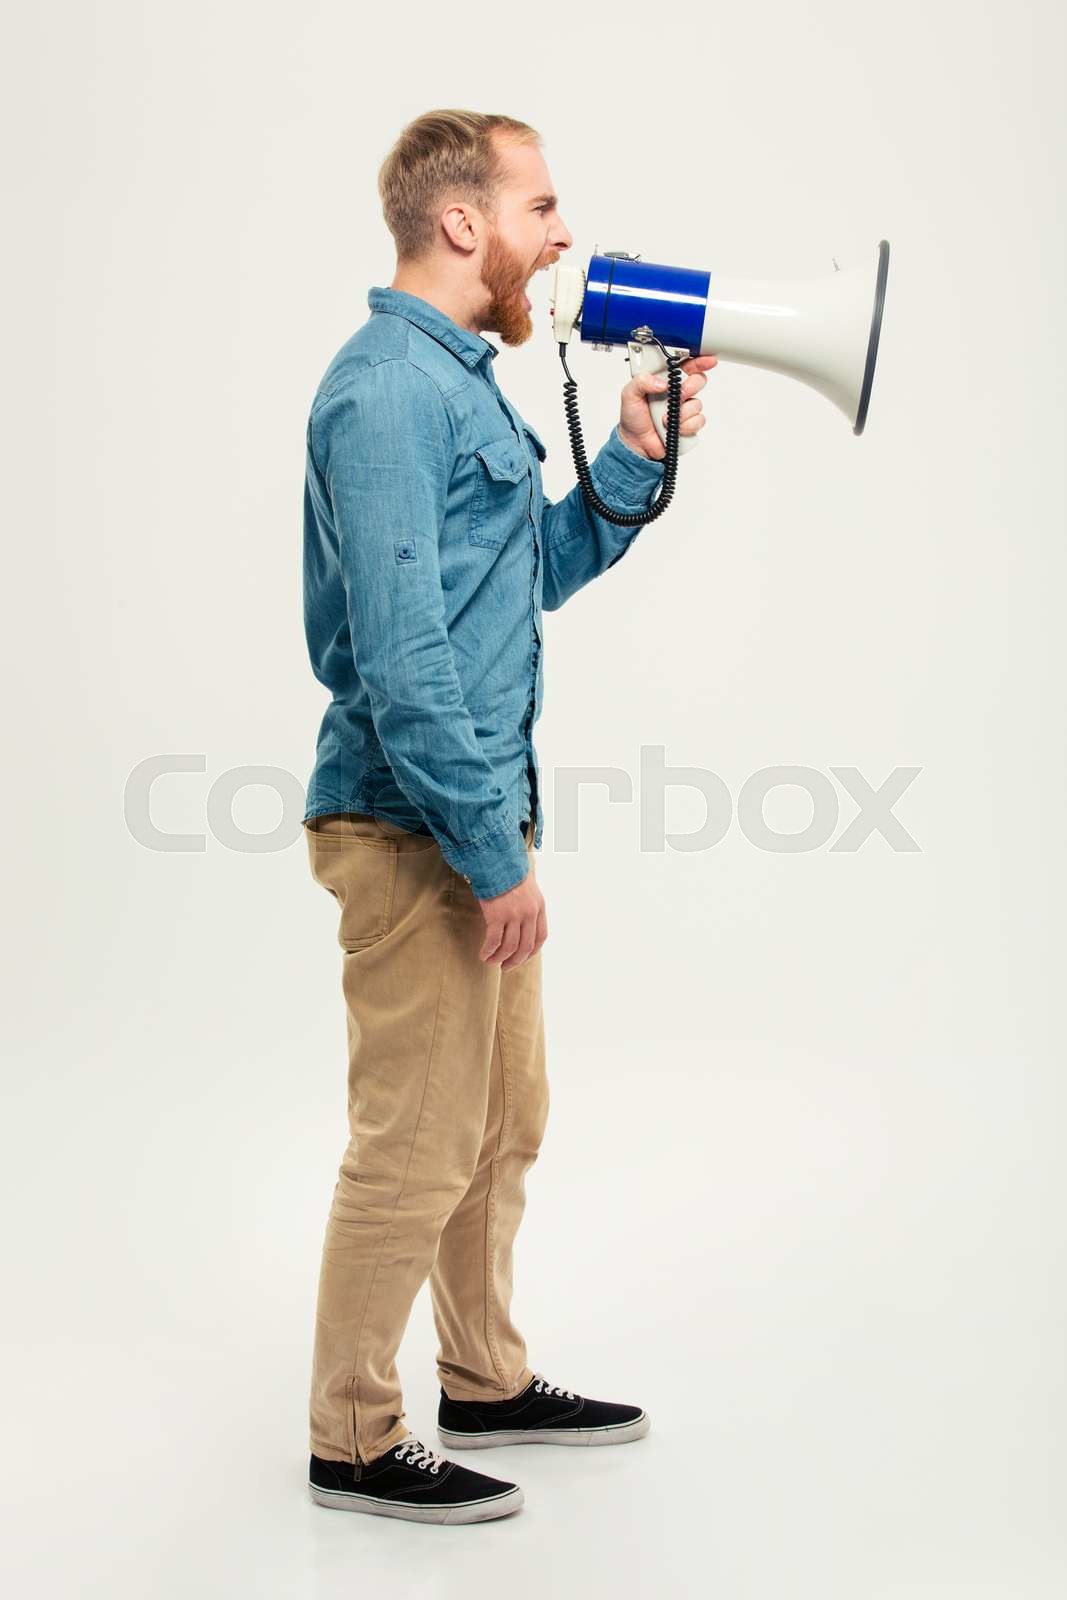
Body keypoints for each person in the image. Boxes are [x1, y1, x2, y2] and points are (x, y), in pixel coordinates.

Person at [300, 108, 715, 1526]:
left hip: (476, 821)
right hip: (418, 827)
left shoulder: (463, 384)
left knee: (500, 1122)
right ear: (464, 222)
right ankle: (353, 1435)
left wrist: (637, 457)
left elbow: (522, 571)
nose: (563, 235)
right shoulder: (383, 397)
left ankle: (482, 1377)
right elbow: (407, 660)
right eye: (544, 207)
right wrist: (490, 858)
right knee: (417, 1137)